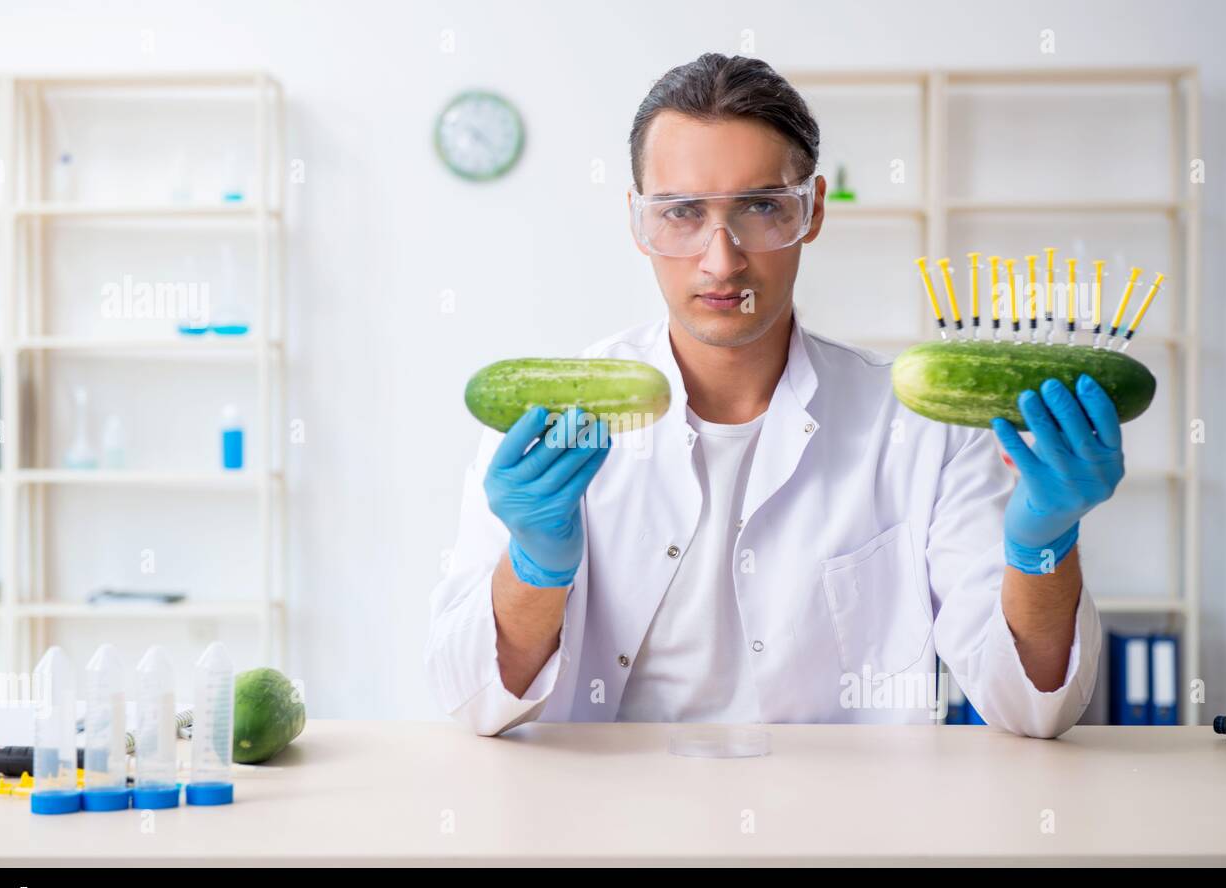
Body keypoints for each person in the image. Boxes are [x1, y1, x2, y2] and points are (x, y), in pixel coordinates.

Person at [428, 53, 1120, 738]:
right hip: (609, 826)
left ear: (812, 211)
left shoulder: (921, 427)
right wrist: (533, 568)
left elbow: (1033, 707)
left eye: (761, 206)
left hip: (840, 828)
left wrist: (1045, 546)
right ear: (638, 221)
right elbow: (474, 700)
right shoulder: (550, 423)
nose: (721, 259)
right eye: (681, 212)